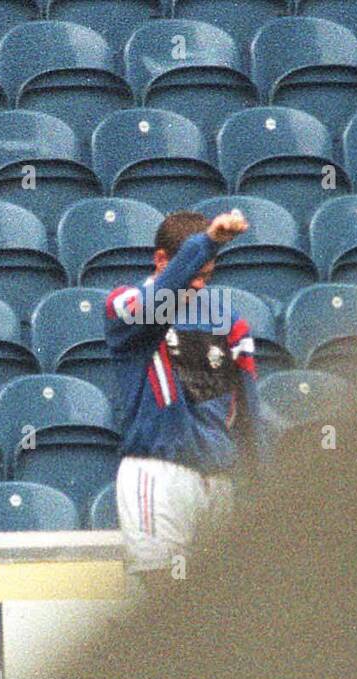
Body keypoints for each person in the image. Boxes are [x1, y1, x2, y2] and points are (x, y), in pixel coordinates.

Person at [104, 209, 267, 592]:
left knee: (222, 609)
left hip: (219, 480)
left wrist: (261, 486)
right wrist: (206, 244)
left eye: (206, 276)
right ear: (162, 260)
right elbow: (155, 303)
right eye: (192, 273)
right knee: (169, 603)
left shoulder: (227, 318)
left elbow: (248, 410)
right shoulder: (124, 304)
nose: (198, 284)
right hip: (158, 473)